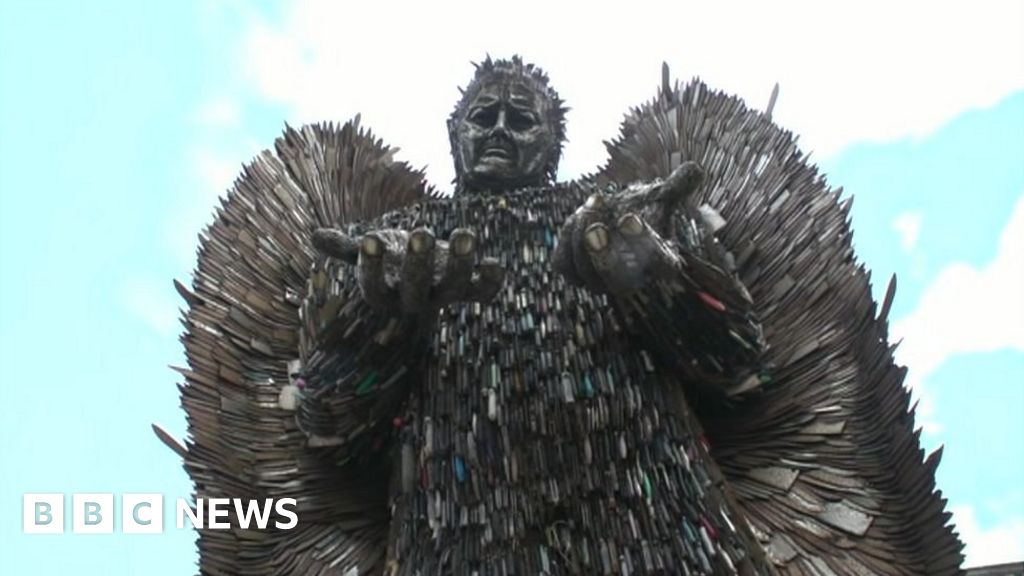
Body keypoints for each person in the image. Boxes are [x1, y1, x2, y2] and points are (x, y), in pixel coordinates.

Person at [168, 56, 963, 575]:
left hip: (667, 539)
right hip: (460, 548)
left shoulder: (627, 214)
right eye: (485, 117)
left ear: (555, 138)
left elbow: (739, 367)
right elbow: (330, 426)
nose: (501, 131)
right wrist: (382, 322)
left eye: (522, 118)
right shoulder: (387, 248)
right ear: (453, 134)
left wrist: (658, 281)